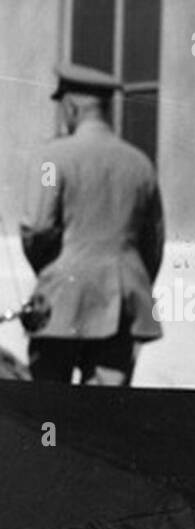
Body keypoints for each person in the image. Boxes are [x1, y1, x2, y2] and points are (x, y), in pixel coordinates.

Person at [20, 64, 165, 385]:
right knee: (104, 413)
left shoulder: (51, 158)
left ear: (70, 107)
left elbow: (38, 228)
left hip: (61, 298)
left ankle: (51, 438)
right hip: (123, 302)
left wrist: (52, 272)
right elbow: (153, 244)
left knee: (48, 405)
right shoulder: (140, 163)